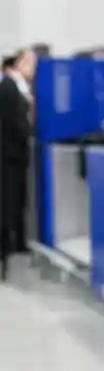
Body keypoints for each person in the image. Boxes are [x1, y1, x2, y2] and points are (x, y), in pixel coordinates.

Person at [0, 49, 35, 280]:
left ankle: (14, 246)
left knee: (13, 202)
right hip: (8, 156)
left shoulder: (15, 87)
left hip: (13, 156)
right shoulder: (9, 88)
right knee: (7, 203)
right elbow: (15, 123)